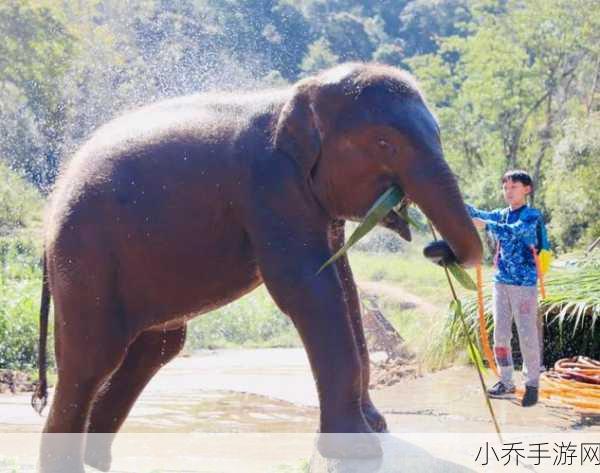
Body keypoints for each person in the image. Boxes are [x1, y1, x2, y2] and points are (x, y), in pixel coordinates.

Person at [466, 170, 548, 407]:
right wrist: (445, 195)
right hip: (501, 283)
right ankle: (506, 380)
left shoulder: (532, 215)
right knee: (500, 335)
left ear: (527, 189)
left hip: (524, 286)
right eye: (505, 187)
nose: (508, 191)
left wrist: (487, 224)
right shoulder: (500, 214)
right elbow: (475, 213)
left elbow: (517, 231)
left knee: (526, 335)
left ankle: (532, 384)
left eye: (514, 187)